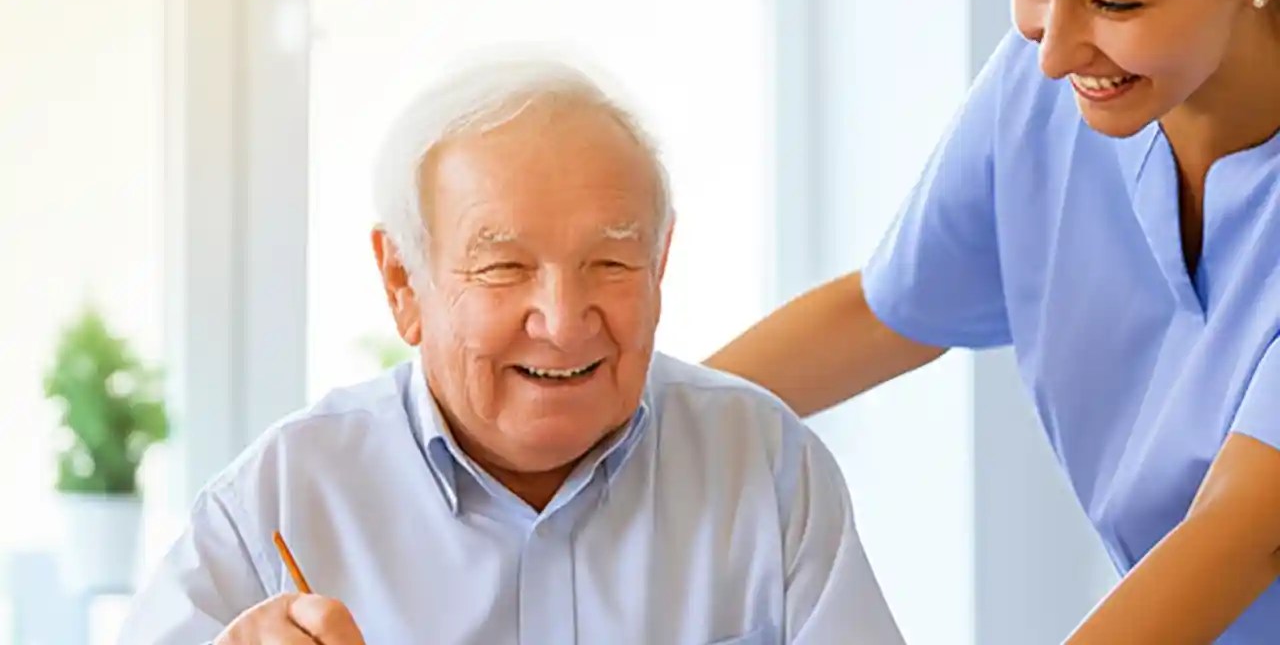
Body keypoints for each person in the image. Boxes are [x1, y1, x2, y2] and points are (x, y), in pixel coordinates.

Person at [118, 57, 904, 644]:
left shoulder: (767, 472)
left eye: (611, 262)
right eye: (504, 268)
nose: (563, 322)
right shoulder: (280, 499)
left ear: (661, 263)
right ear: (402, 281)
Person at [707, 0, 1280, 642]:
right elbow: (886, 311)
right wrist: (623, 435)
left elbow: (1243, 531)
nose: (1053, 53)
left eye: (1114, 4)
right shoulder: (1054, 89)